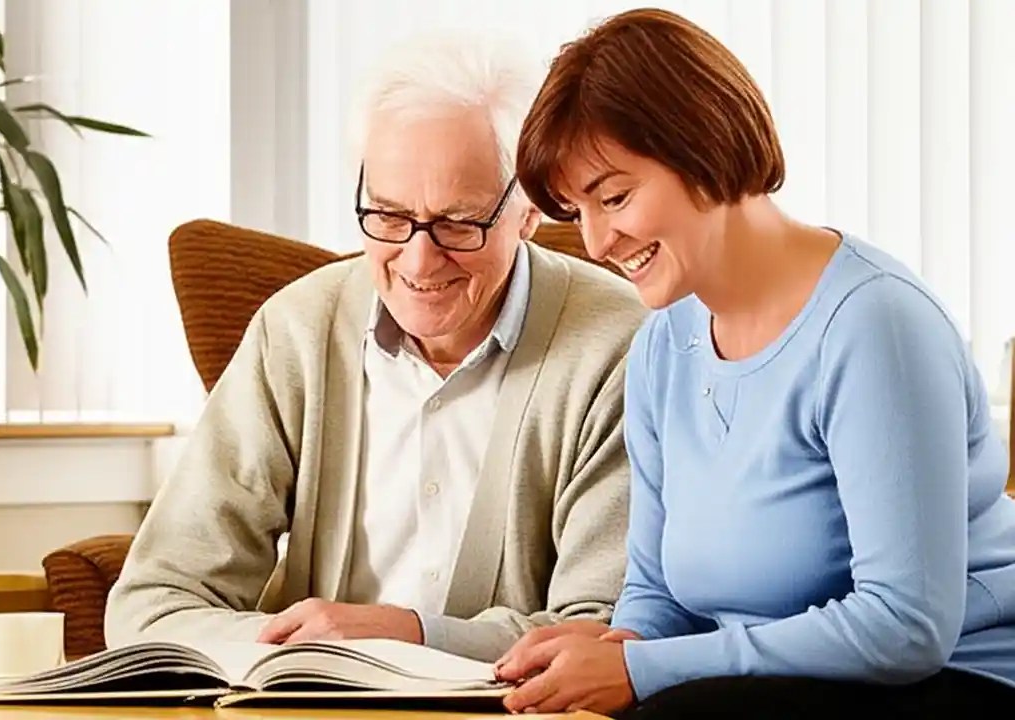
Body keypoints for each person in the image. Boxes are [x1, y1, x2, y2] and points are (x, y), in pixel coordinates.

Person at [495, 8, 1015, 717]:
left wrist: (646, 671)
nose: (595, 242)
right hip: (763, 685)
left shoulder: (874, 326)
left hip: (955, 676)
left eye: (614, 198)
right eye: (576, 210)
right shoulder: (662, 346)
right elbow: (657, 591)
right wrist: (613, 655)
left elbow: (904, 627)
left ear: (703, 148)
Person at [104, 31, 648, 662]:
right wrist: (305, 650)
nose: (418, 261)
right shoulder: (297, 331)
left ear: (528, 210)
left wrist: (409, 637)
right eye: (388, 216)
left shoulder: (619, 349)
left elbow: (603, 633)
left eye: (458, 223)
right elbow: (152, 602)